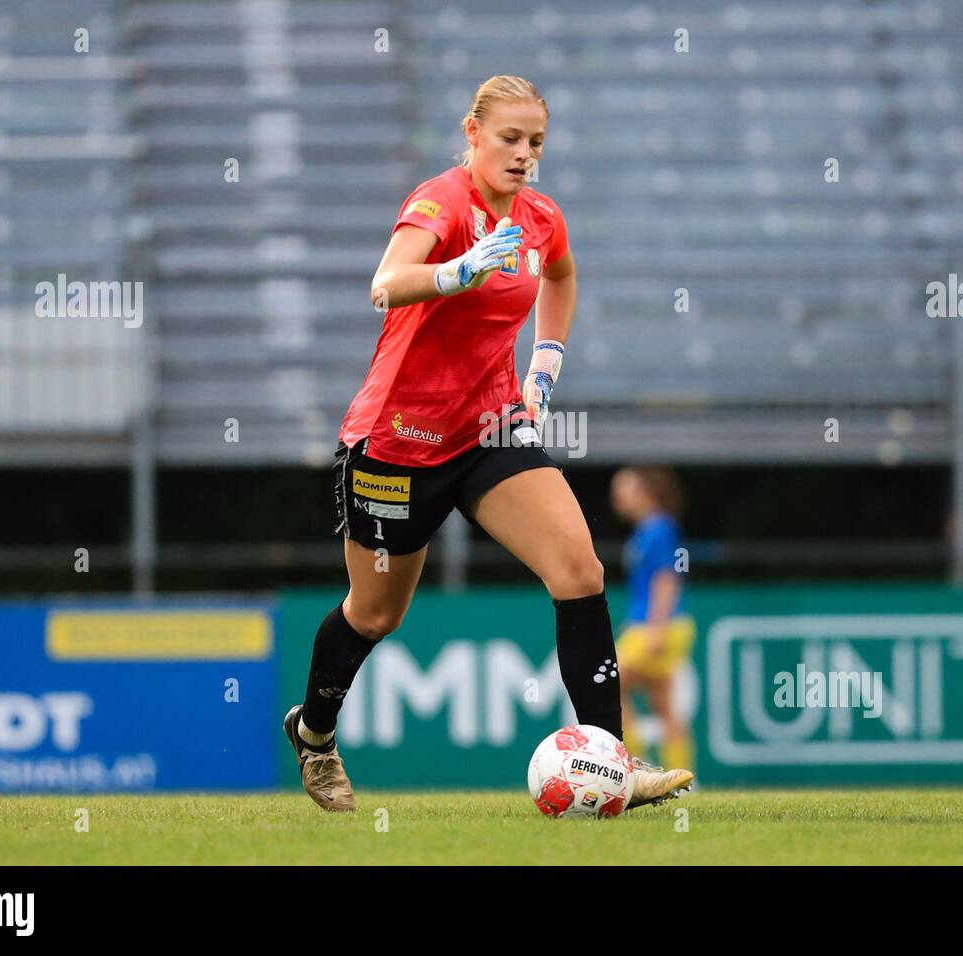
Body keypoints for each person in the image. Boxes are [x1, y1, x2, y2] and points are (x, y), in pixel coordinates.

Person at [281, 75, 693, 811]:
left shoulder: (539, 218)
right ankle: (314, 735)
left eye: (536, 141)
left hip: (490, 428)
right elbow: (385, 282)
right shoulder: (441, 200)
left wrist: (544, 365)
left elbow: (561, 277)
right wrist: (457, 271)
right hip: (398, 442)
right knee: (376, 615)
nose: (524, 153)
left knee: (579, 569)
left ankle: (613, 764)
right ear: (472, 133)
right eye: (509, 138)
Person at [611, 467, 696, 776]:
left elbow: (666, 580)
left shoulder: (659, 529)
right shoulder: (646, 530)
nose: (616, 496)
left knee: (609, 684)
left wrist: (655, 629)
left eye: (624, 488)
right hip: (648, 625)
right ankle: (682, 779)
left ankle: (635, 768)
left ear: (645, 492)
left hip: (660, 626)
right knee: (663, 705)